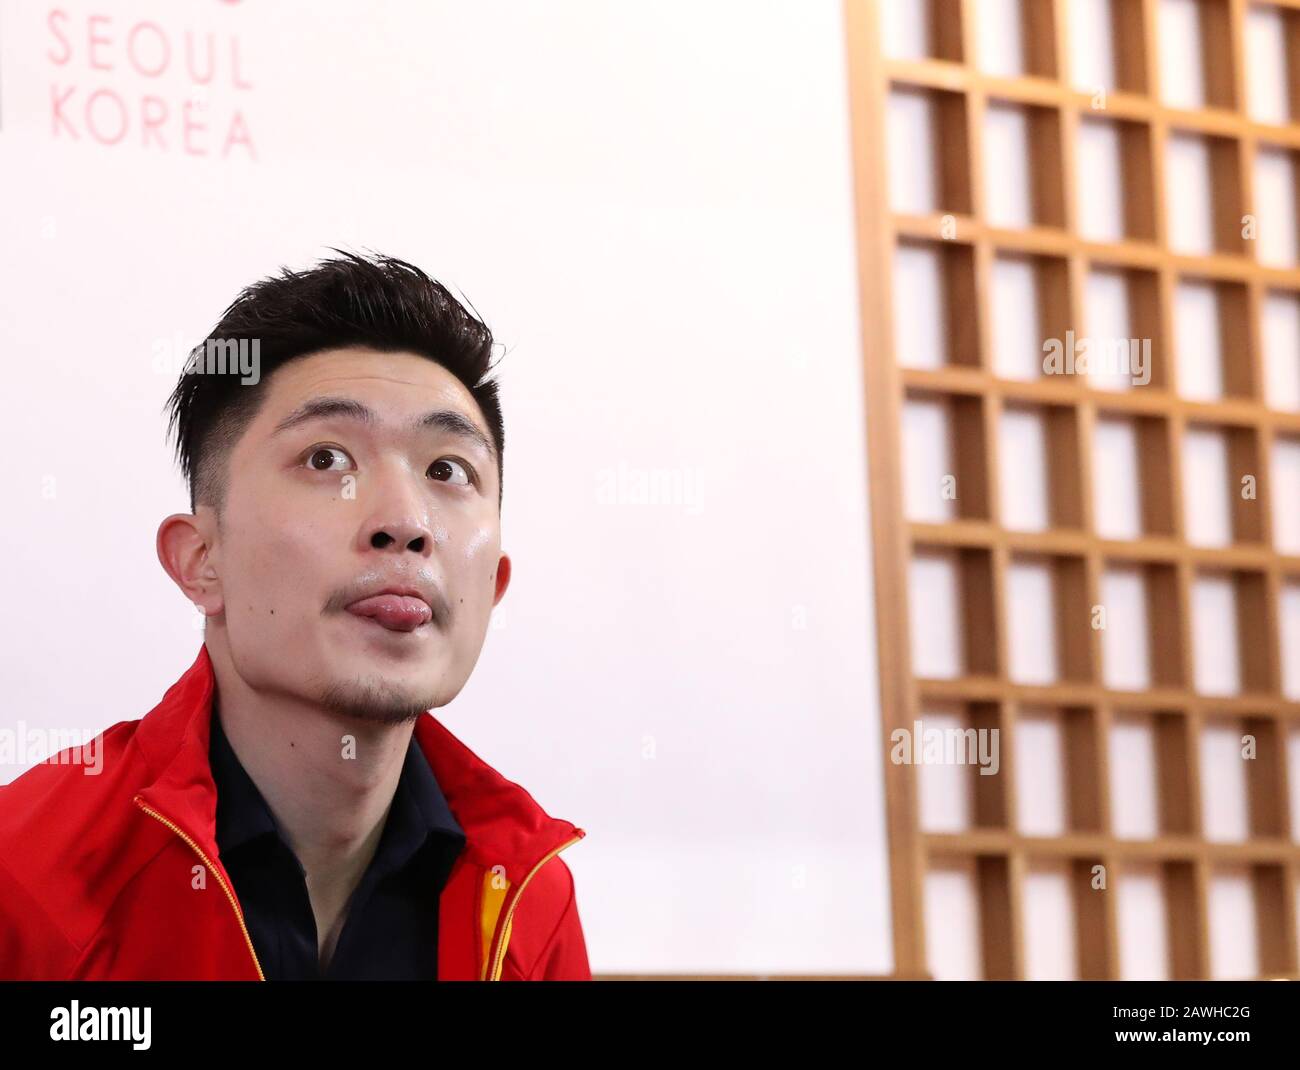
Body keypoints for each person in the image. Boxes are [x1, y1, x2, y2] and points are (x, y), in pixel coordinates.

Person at [0, 250, 590, 980]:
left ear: (493, 585)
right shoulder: (24, 884)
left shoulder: (527, 892)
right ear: (200, 560)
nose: (405, 523)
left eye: (447, 470)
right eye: (326, 459)